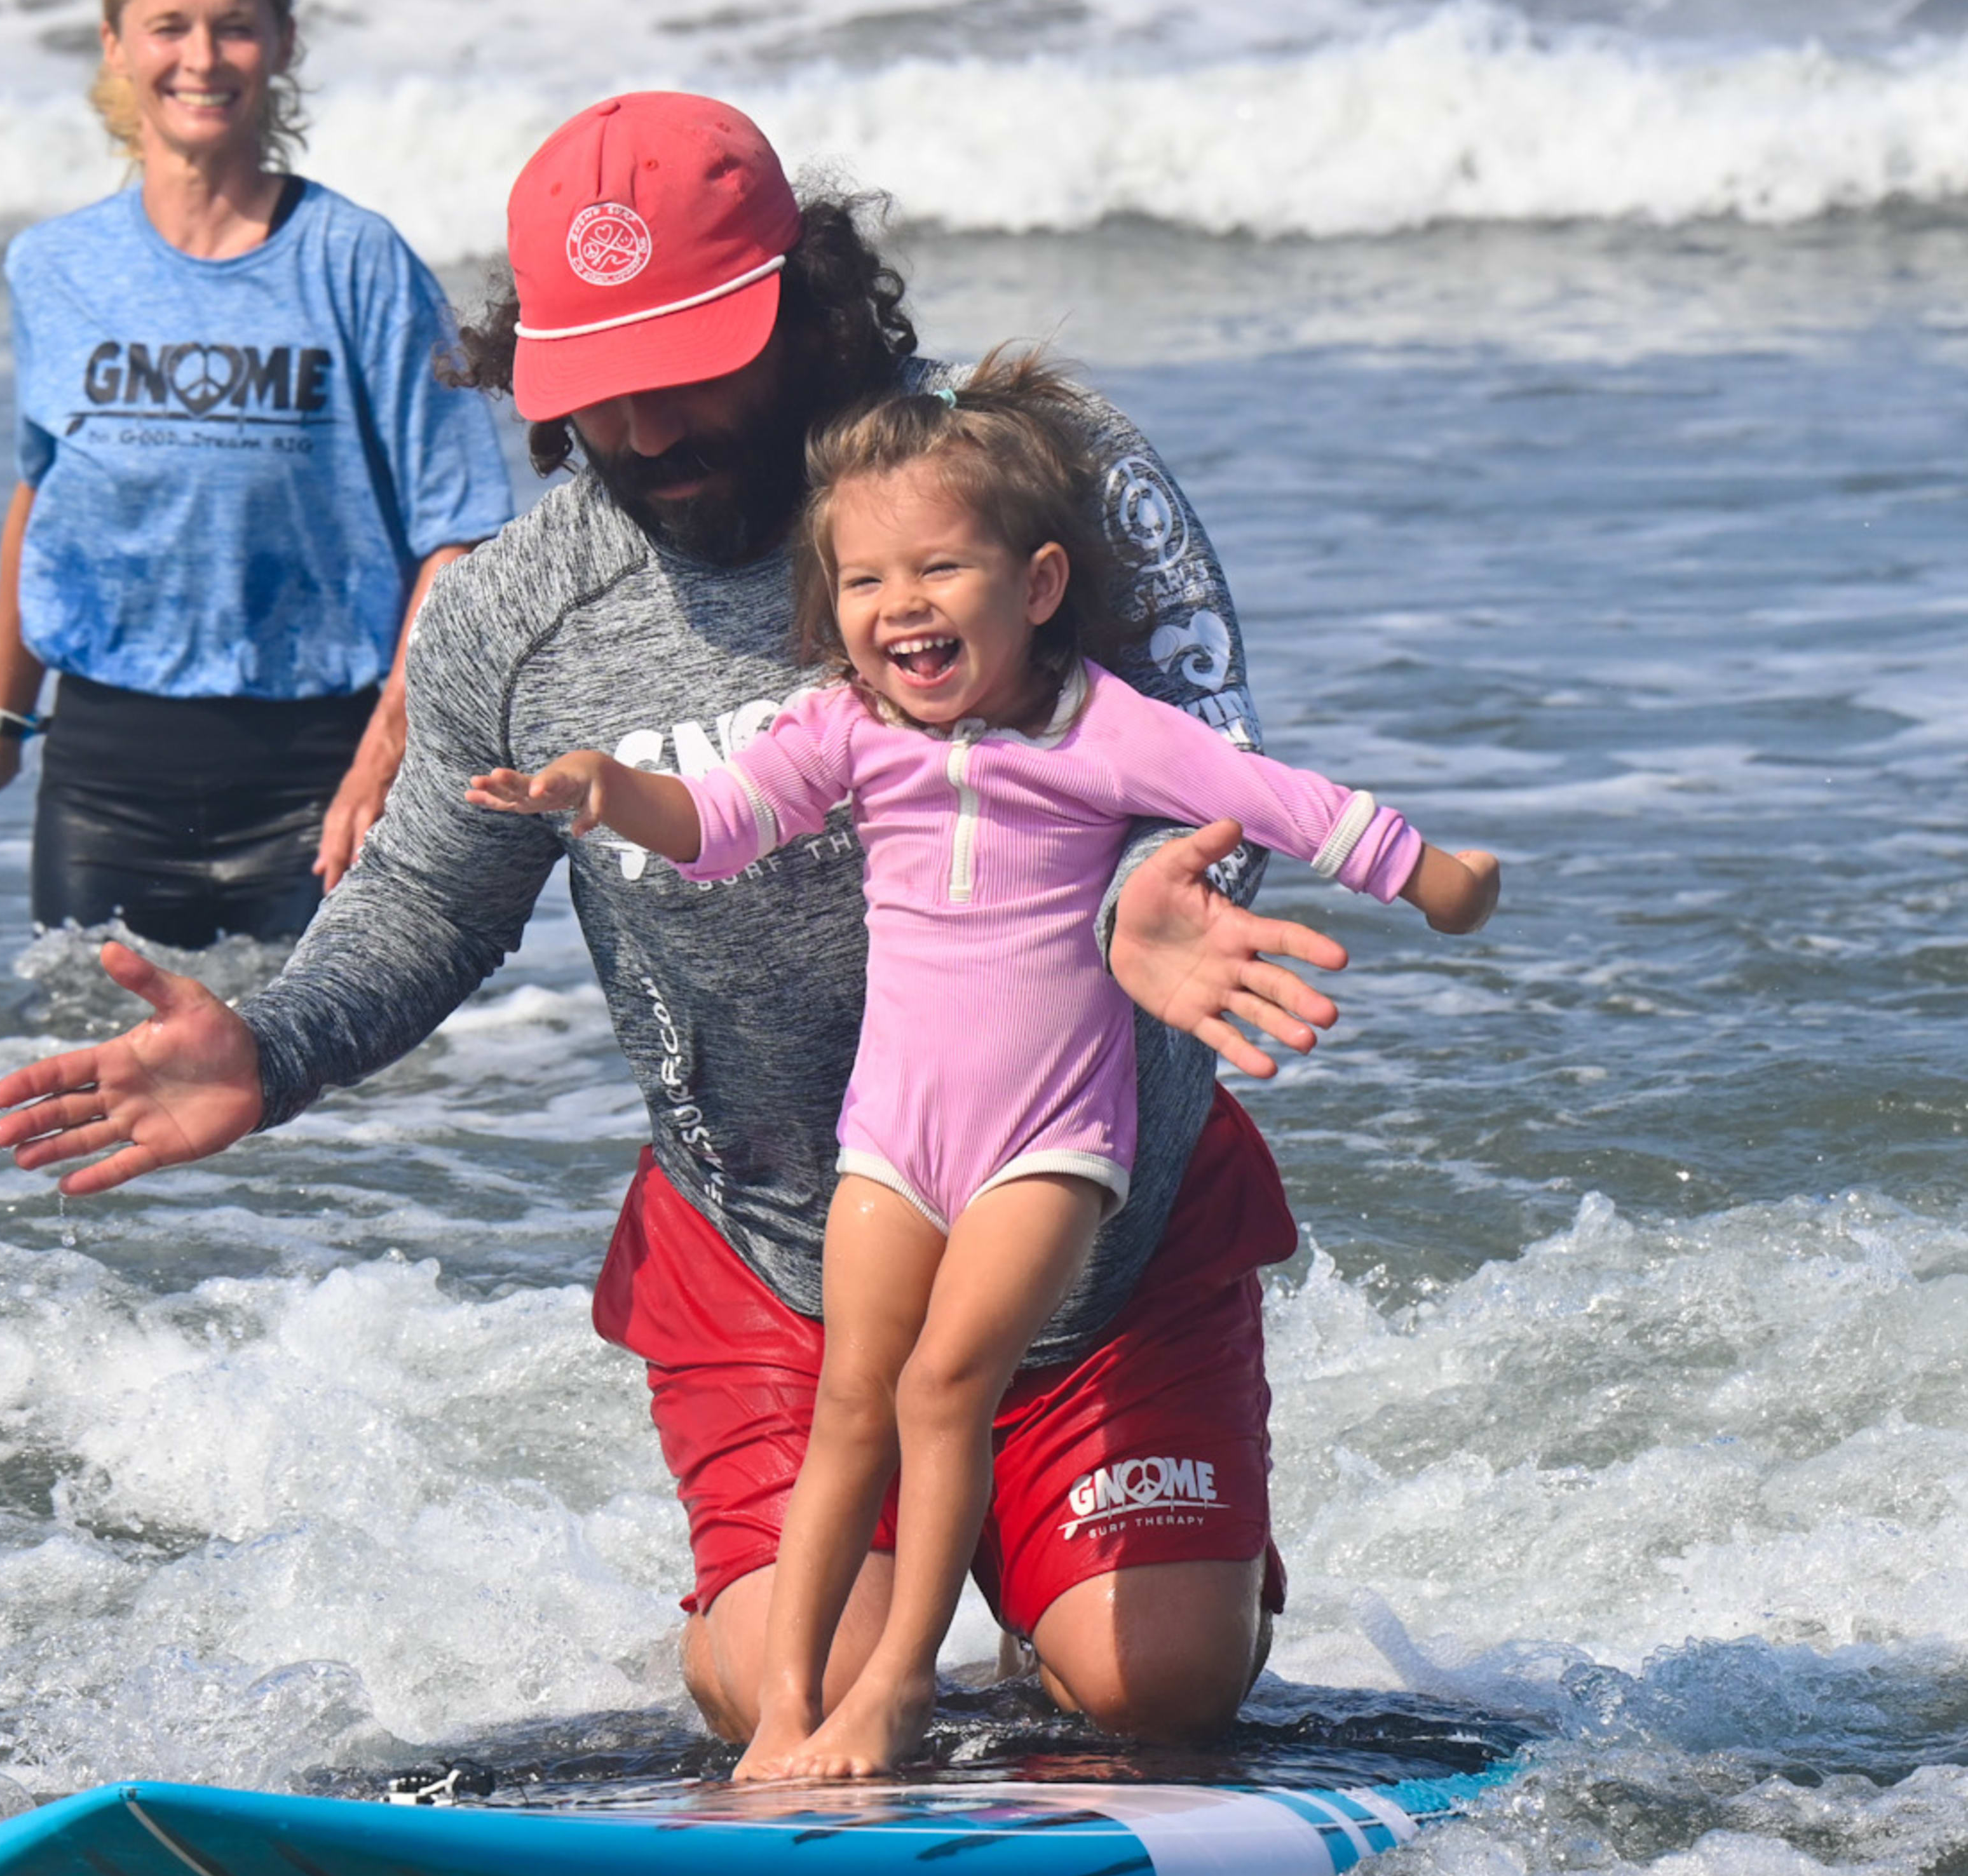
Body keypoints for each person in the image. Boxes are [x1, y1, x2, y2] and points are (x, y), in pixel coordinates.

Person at [0, 90, 1384, 1751]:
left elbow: (1212, 752)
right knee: (793, 1689)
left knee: (1153, 1687)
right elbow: (430, 897)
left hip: (1099, 1234)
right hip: (787, 1265)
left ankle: (1065, 1593)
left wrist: (1164, 896)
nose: (644, 429)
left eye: (687, 366)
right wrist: (272, 1050)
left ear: (805, 306)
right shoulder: (517, 615)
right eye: (597, 385)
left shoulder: (1034, 482)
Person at [465, 351, 1498, 1776]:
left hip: (1050, 1146)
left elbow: (1279, 799)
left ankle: (896, 1688)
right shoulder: (845, 727)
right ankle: (789, 1712)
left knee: (945, 1384)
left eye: (940, 569)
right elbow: (719, 822)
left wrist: (1436, 878)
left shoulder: (1106, 731)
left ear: (1040, 584)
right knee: (856, 1398)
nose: (901, 606)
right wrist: (610, 789)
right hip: (891, 1138)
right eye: (865, 581)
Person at [0, 0, 512, 948]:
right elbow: (42, 504)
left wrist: (388, 751)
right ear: (116, 45)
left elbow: (456, 531)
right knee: (94, 1049)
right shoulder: (53, 268)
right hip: (103, 780)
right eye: (169, 27)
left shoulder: (357, 262)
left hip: (319, 775)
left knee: (337, 1059)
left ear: (283, 42)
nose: (202, 58)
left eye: (234, 26)